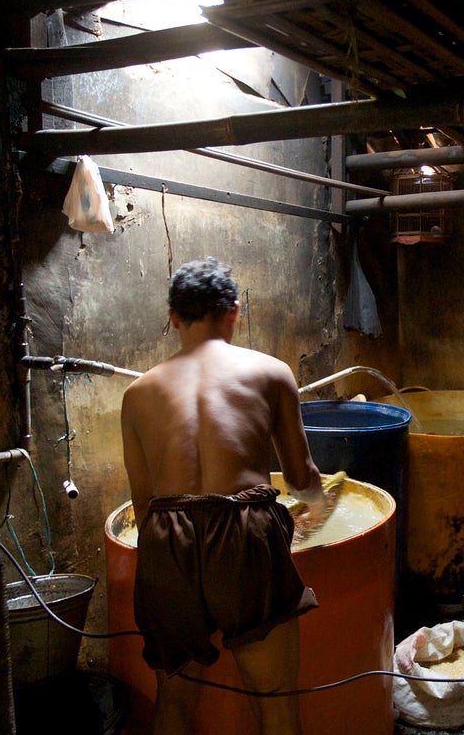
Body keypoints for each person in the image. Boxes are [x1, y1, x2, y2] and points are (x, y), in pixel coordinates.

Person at [121, 257, 326, 735]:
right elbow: (299, 477)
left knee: (172, 703)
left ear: (173, 317)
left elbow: (142, 501)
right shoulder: (271, 372)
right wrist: (318, 502)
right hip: (244, 531)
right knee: (274, 702)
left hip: (166, 537)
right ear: (234, 311)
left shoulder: (137, 393)